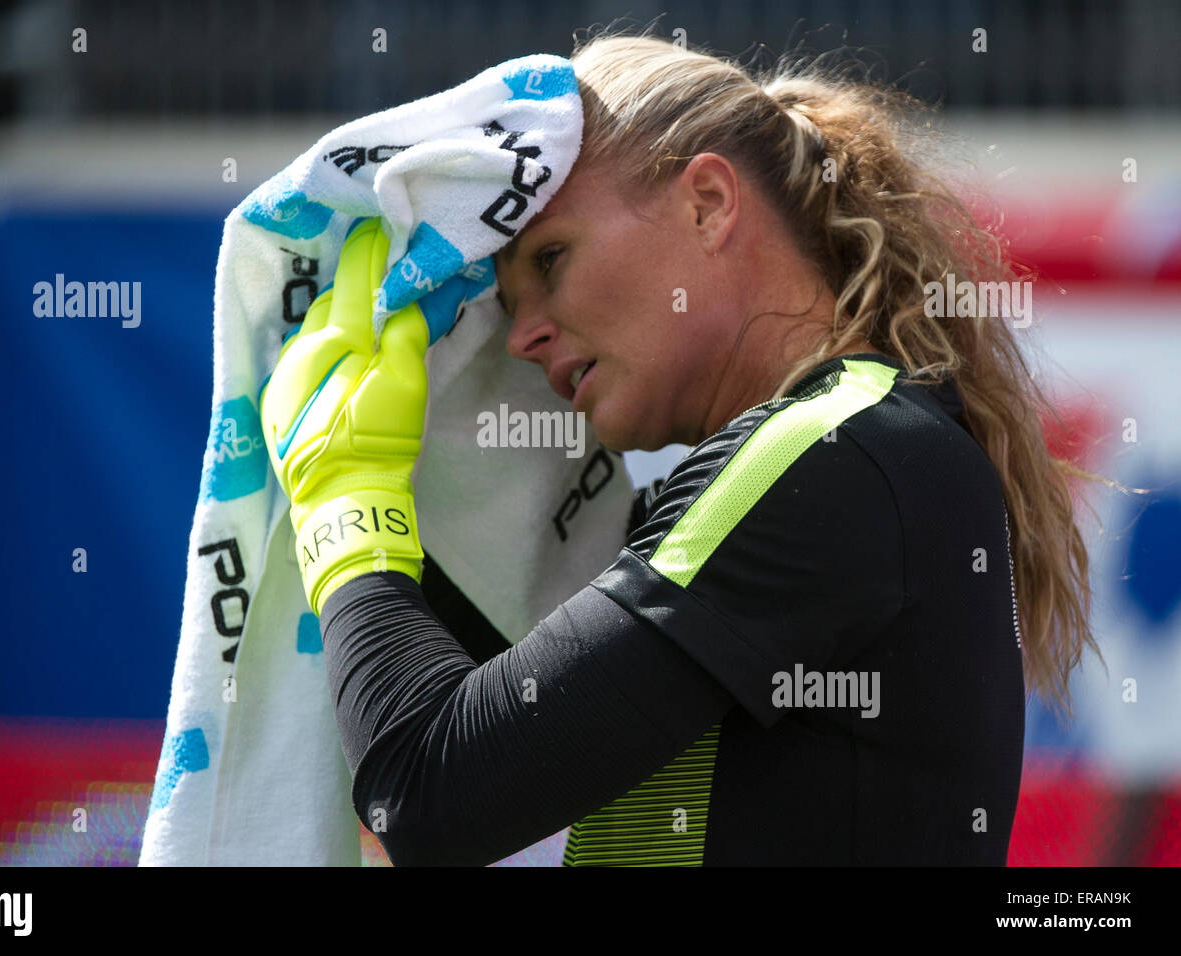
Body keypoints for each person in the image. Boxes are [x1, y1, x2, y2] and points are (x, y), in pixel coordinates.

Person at [261, 28, 1103, 866]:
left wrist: (343, 496)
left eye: (550, 260)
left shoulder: (829, 449)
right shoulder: (851, 446)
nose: (521, 338)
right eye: (509, 306)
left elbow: (427, 796)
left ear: (707, 203)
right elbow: (473, 711)